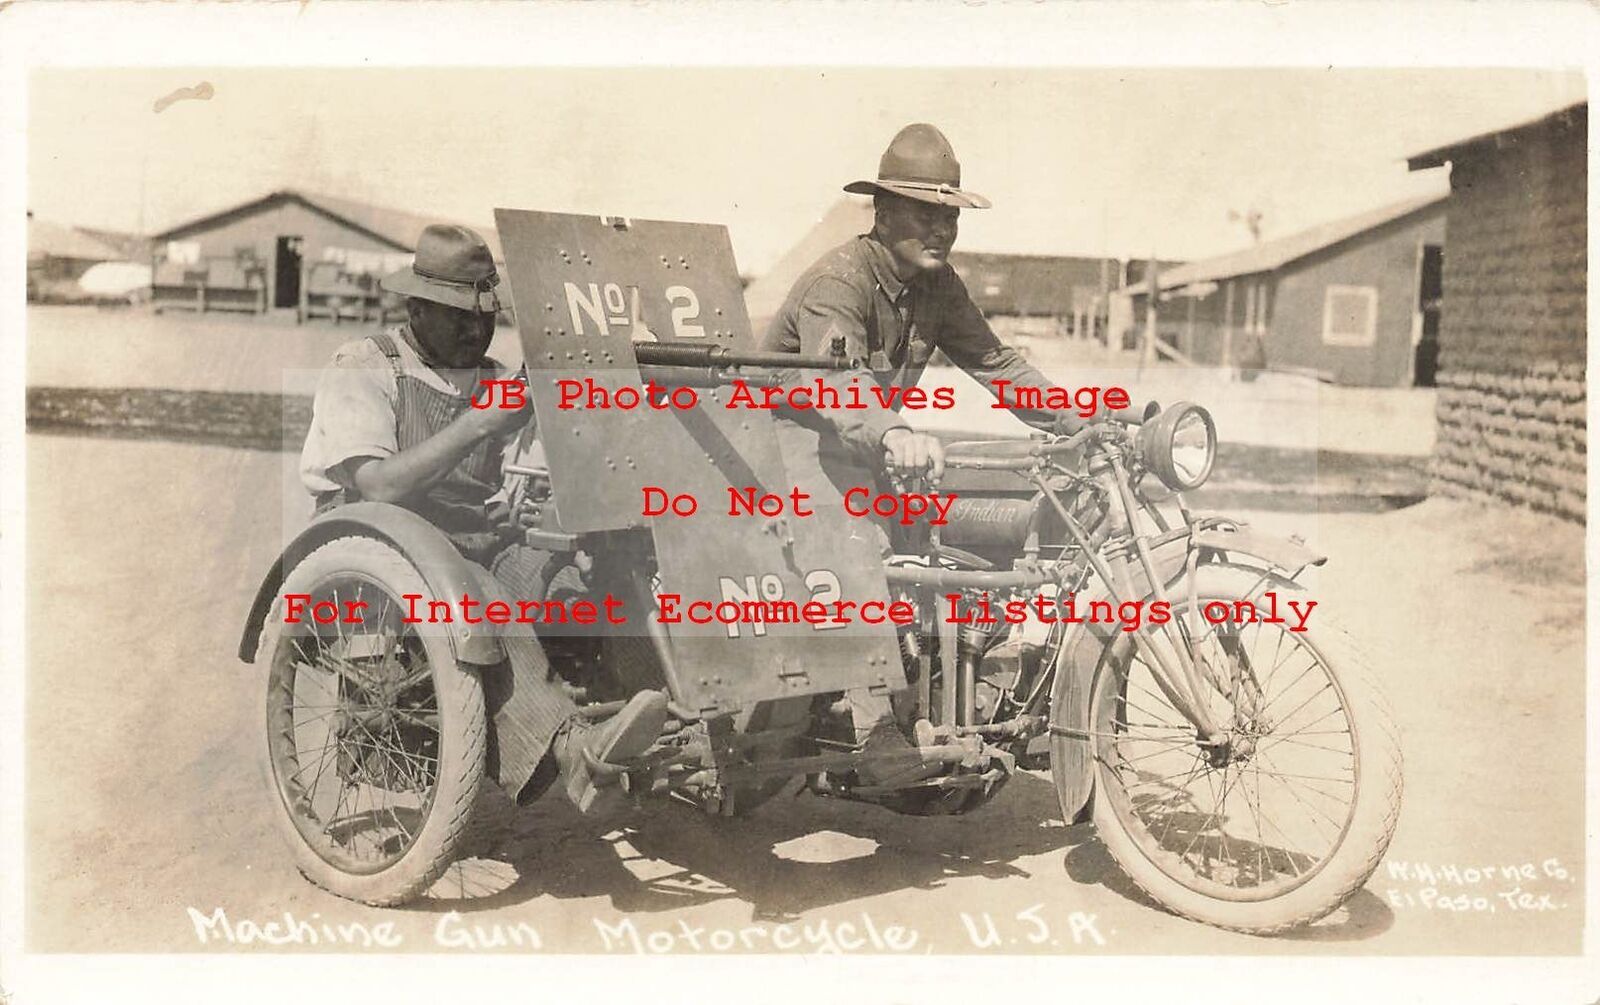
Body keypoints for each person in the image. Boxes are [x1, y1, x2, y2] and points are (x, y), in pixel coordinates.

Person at [299, 223, 667, 813]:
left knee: (588, 574)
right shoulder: (364, 365)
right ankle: (572, 751)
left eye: (486, 317)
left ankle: (655, 710)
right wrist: (478, 423)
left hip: (471, 540)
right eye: (458, 318)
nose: (476, 330)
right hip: (378, 542)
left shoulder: (493, 377)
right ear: (416, 308)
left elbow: (547, 465)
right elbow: (376, 484)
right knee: (485, 595)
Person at [760, 123, 1079, 759]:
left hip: (866, 444)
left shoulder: (937, 284)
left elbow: (995, 361)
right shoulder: (839, 282)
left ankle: (948, 699)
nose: (941, 230)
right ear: (883, 213)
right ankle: (873, 732)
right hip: (787, 443)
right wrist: (897, 431)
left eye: (949, 216)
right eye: (924, 213)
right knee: (864, 550)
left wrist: (1080, 421)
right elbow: (839, 387)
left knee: (953, 551)